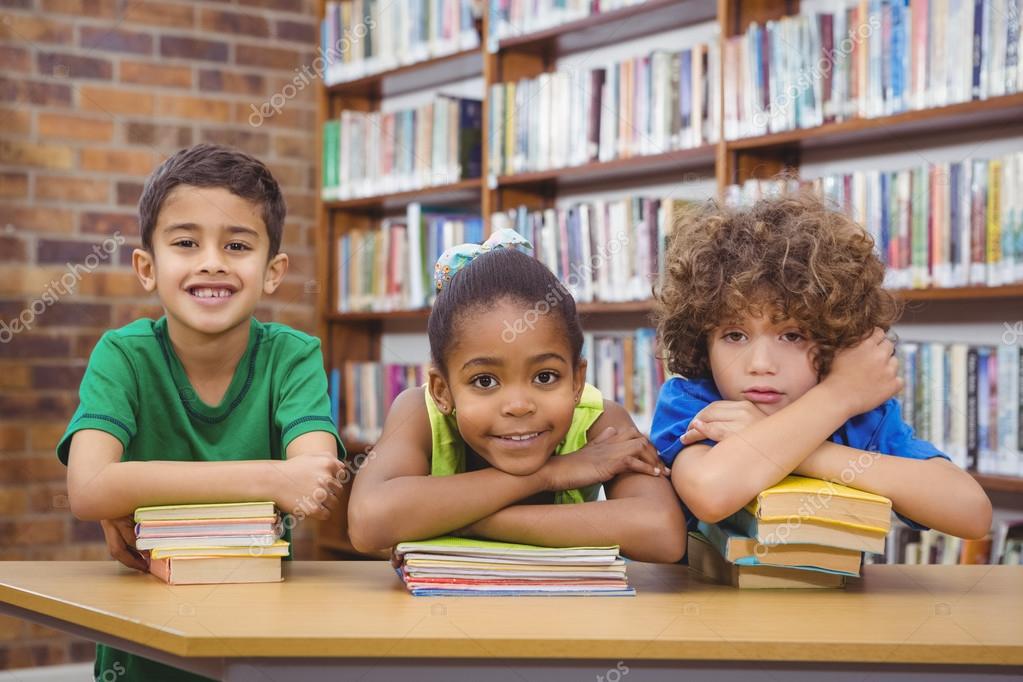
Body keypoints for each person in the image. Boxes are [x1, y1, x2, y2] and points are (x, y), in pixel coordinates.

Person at [58, 144, 347, 682]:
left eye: (237, 244)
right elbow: (88, 488)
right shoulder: (122, 354)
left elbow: (313, 487)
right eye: (186, 242)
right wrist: (271, 476)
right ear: (146, 267)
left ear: (273, 271)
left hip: (259, 641)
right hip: (142, 646)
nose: (212, 261)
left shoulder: (294, 355)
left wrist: (136, 491)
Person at [651, 191, 992, 540]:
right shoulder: (694, 404)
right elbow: (711, 492)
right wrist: (836, 397)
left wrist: (811, 449)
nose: (761, 364)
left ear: (836, 337)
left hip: (833, 596)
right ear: (703, 342)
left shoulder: (860, 419)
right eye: (735, 335)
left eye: (793, 336)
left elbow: (971, 512)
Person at [348, 230, 686, 561]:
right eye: (484, 382)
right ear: (442, 390)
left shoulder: (599, 422)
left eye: (545, 376)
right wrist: (550, 473)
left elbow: (662, 533)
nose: (519, 405)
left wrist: (461, 523)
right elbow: (368, 521)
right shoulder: (419, 413)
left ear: (576, 380)